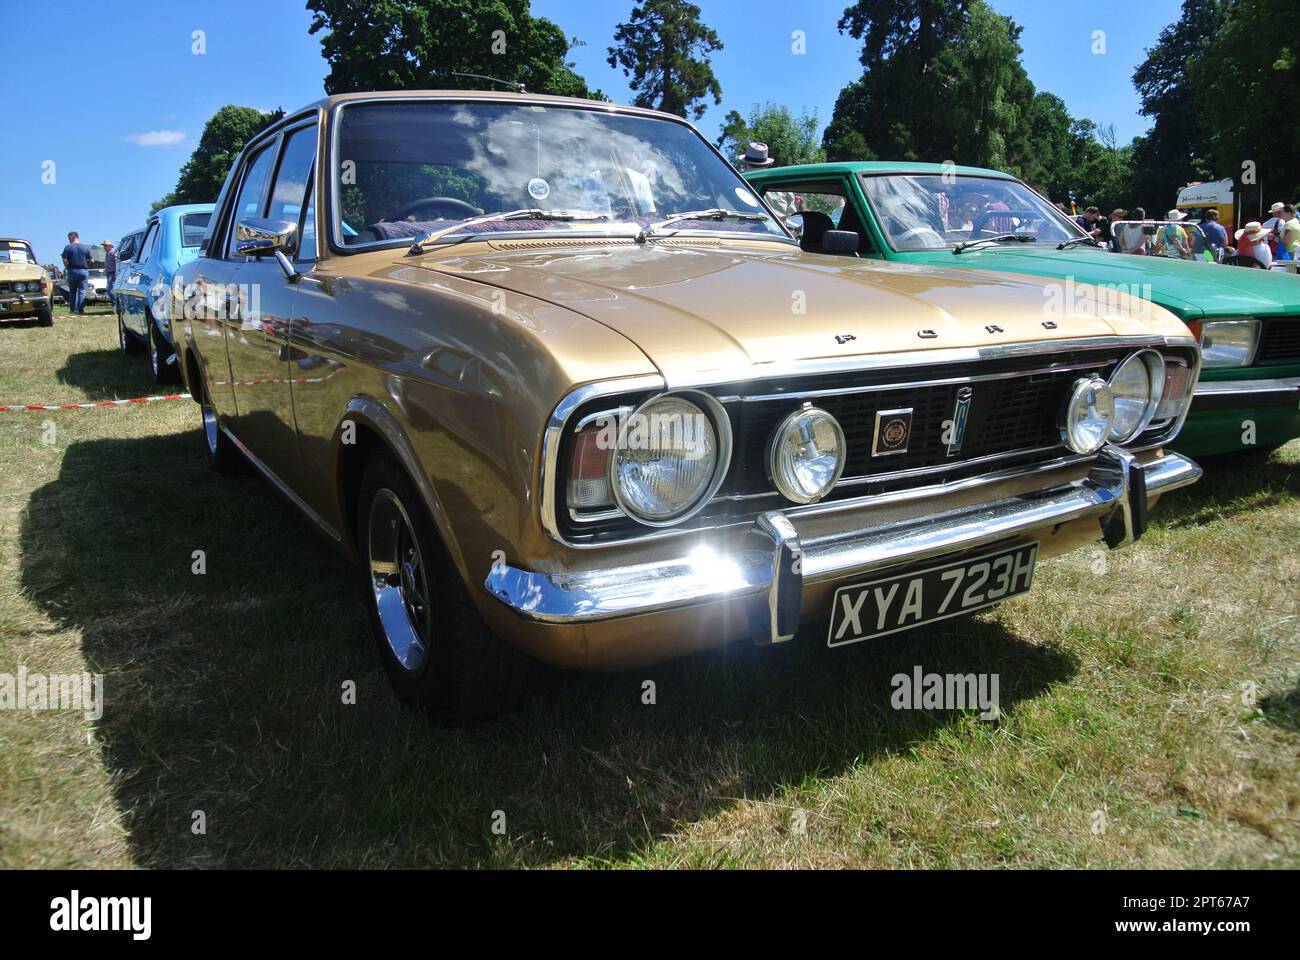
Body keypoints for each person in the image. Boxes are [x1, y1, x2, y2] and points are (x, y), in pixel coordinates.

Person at [60, 231, 93, 315]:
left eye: (69, 238)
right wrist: (87, 266)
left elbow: (64, 259)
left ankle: (73, 309)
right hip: (83, 271)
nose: (68, 240)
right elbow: (92, 260)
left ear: (72, 237)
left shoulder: (68, 247)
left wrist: (66, 267)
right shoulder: (85, 248)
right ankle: (80, 309)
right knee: (82, 290)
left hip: (72, 270)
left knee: (73, 291)